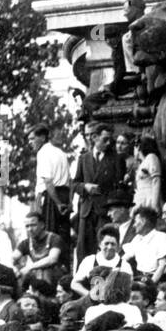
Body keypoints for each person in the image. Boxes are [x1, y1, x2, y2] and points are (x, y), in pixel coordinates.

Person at [73, 125, 126, 260]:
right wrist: (85, 187)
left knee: (104, 247)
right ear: (95, 137)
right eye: (105, 139)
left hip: (104, 211)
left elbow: (120, 188)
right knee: (84, 250)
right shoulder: (84, 158)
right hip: (86, 211)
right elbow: (74, 183)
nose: (108, 143)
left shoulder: (116, 159)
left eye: (110, 140)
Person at [29, 125, 71, 239]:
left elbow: (48, 181)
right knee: (62, 234)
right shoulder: (61, 152)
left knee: (49, 234)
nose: (30, 142)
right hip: (64, 196)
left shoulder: (43, 153)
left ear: (42, 138)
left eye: (32, 139)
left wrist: (57, 202)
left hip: (51, 198)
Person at [72, 227, 133, 297]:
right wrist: (89, 295)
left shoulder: (124, 265)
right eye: (106, 243)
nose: (109, 247)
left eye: (113, 244)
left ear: (118, 246)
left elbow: (129, 288)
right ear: (99, 244)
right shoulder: (89, 261)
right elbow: (74, 284)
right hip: (92, 302)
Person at [15, 210, 67, 287]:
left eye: (33, 225)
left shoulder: (54, 239)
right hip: (37, 280)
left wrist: (29, 267)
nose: (30, 229)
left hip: (56, 280)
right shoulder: (26, 242)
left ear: (42, 225)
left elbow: (52, 259)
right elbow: (12, 258)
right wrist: (14, 269)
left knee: (45, 272)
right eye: (27, 226)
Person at [122, 207, 166, 281]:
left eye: (135, 221)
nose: (134, 225)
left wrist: (150, 285)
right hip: (138, 277)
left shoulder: (161, 237)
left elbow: (162, 266)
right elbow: (125, 258)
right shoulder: (137, 239)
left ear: (143, 221)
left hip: (156, 279)